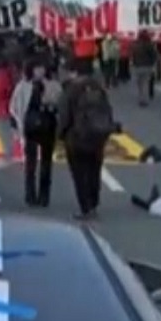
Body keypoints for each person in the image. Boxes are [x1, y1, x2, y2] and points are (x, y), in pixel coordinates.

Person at [58, 62, 116, 221]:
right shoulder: (99, 89)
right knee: (94, 172)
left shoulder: (71, 90)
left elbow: (64, 115)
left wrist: (61, 135)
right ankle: (94, 204)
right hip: (98, 136)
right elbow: (108, 111)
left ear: (73, 72)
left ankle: (85, 208)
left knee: (79, 174)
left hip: (76, 138)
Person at [10, 59, 61, 208]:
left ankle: (44, 196)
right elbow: (14, 106)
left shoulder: (53, 85)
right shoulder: (23, 86)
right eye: (36, 68)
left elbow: (60, 104)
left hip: (48, 127)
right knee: (30, 164)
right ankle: (30, 195)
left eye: (42, 68)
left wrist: (49, 102)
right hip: (30, 128)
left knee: (46, 164)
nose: (39, 71)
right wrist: (16, 125)